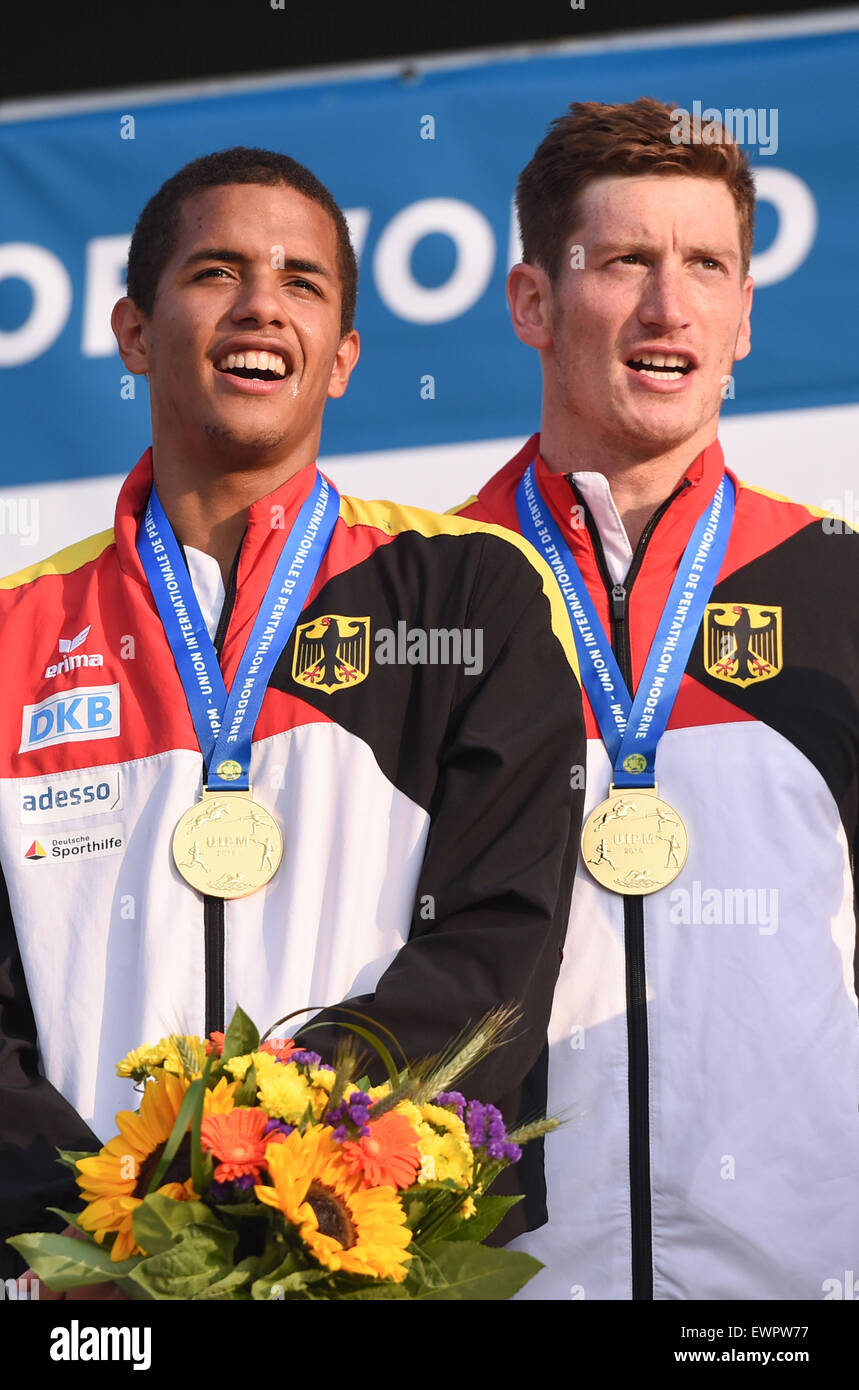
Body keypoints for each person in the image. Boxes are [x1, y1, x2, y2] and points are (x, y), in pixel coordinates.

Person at [0, 147, 585, 1287]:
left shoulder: (470, 590)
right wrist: (114, 1223)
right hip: (91, 1279)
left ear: (344, 360)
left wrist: (273, 1165)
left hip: (364, 1259)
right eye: (217, 272)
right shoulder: (16, 633)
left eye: (303, 282)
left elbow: (496, 944)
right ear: (131, 332)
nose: (262, 303)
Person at [453, 98, 859, 1300]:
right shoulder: (422, 596)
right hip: (493, 1280)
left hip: (797, 1287)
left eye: (705, 267)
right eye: (624, 260)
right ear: (532, 301)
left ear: (742, 319)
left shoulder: (841, 581)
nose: (666, 307)